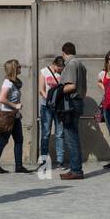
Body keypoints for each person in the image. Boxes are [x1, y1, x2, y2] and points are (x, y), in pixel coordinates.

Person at [0, 58, 29, 174]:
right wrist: (15, 106)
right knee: (3, 141)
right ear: (13, 69)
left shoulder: (14, 82)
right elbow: (2, 99)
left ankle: (19, 166)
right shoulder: (7, 83)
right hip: (7, 117)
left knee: (19, 140)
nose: (20, 68)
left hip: (14, 116)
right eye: (18, 66)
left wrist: (17, 111)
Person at [57, 42, 87, 179]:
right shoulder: (80, 64)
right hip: (78, 102)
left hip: (71, 103)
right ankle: (75, 169)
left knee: (71, 137)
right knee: (72, 135)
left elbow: (72, 86)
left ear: (63, 53)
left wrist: (56, 91)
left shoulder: (71, 64)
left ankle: (76, 171)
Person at [38, 55, 65, 169]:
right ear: (54, 64)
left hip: (59, 108)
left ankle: (60, 160)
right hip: (46, 106)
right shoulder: (44, 72)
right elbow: (41, 90)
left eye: (62, 68)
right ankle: (44, 160)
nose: (60, 70)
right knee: (46, 133)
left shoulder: (63, 73)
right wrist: (49, 101)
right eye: (59, 68)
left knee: (59, 134)